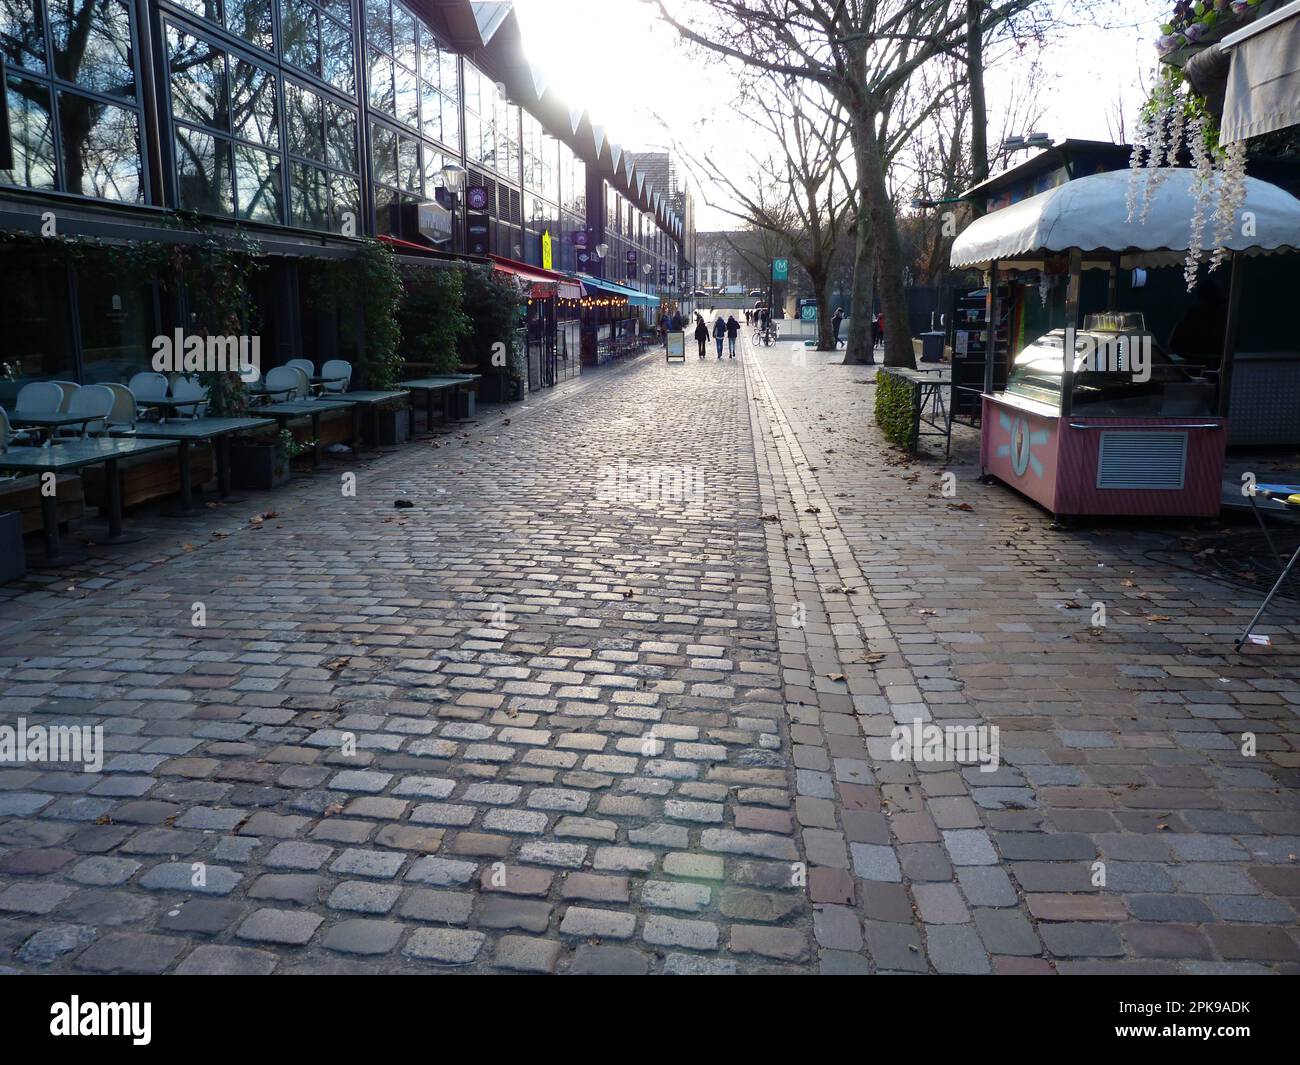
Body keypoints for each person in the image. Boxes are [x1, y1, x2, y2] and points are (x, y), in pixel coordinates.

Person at [1168, 279, 1227, 362]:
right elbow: (1174, 343)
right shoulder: (1224, 316)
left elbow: (1173, 343)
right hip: (1209, 366)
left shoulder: (1192, 315)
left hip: (1197, 367)